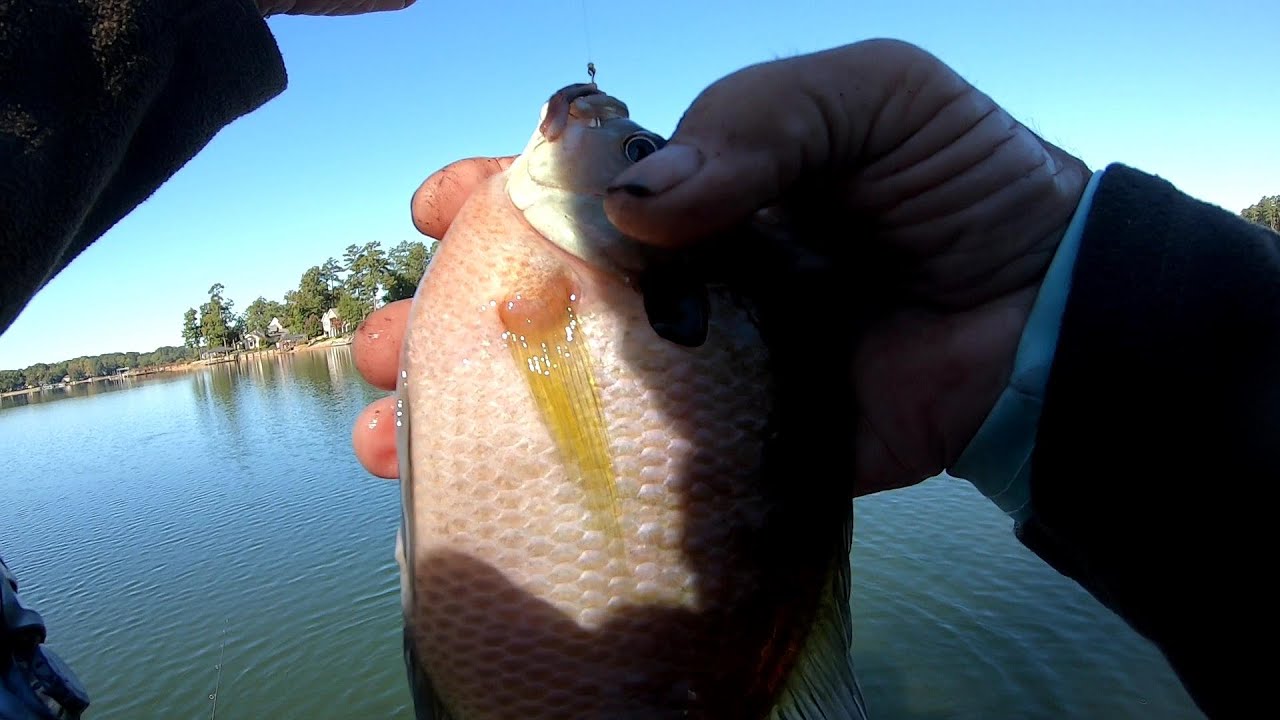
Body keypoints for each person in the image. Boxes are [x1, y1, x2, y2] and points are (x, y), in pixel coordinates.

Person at [1, 2, 1272, 718]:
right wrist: (1076, 308)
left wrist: (1052, 289)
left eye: (637, 147)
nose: (604, 127)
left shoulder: (600, 253)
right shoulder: (605, 259)